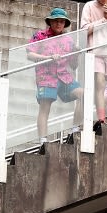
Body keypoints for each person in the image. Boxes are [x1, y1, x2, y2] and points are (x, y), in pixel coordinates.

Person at [27, 8, 83, 142]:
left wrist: (76, 53)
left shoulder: (68, 40)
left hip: (65, 77)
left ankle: (75, 129)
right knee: (45, 107)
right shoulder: (39, 36)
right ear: (50, 22)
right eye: (56, 21)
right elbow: (30, 54)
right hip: (46, 77)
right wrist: (48, 57)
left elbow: (74, 65)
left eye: (62, 22)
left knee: (84, 94)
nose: (59, 24)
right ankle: (43, 140)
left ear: (65, 24)